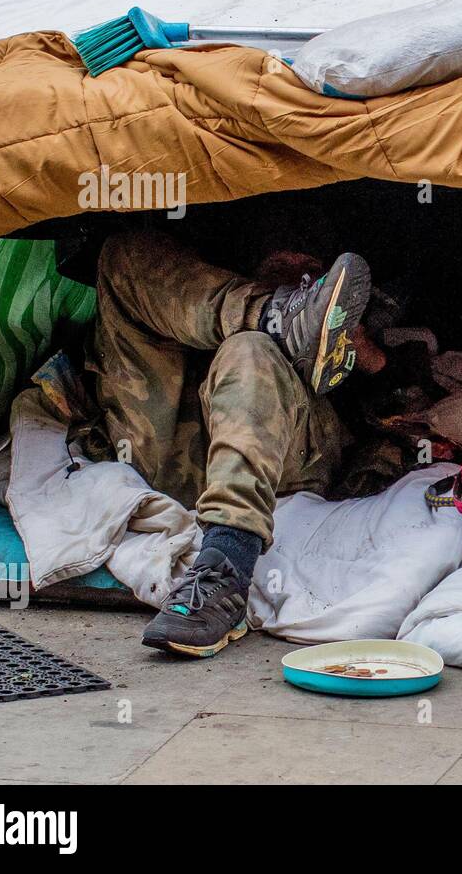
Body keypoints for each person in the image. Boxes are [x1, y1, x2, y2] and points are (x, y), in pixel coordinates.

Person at [80, 230, 379, 658]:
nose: (296, 276)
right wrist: (271, 301)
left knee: (251, 349)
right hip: (173, 452)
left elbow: (407, 404)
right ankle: (273, 316)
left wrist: (363, 351)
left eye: (307, 280)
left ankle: (226, 569)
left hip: (280, 464)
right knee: (122, 253)